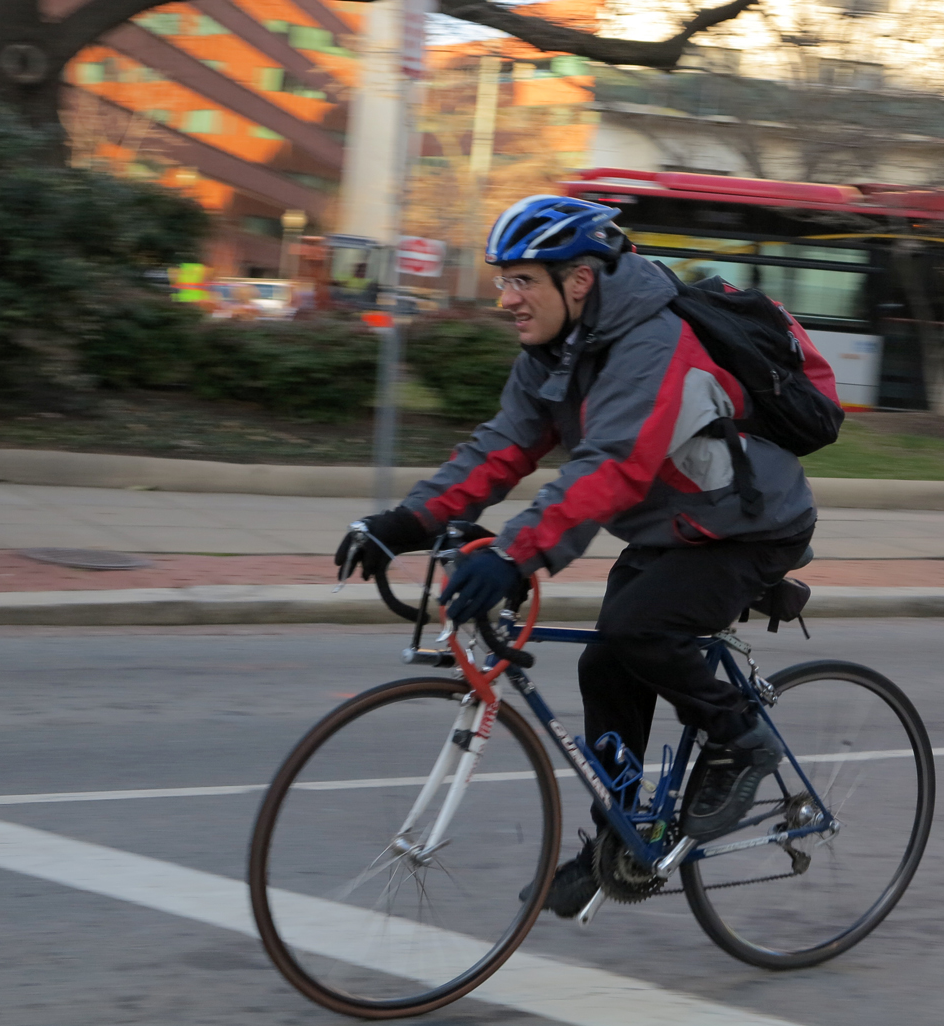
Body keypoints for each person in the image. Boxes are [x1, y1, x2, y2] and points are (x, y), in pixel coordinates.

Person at [334, 196, 817, 917]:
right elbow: (502, 447)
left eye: (521, 280)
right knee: (605, 662)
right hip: (672, 528)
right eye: (504, 280)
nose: (506, 299)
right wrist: (403, 521)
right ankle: (621, 834)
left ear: (579, 281)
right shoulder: (553, 351)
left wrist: (514, 555)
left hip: (748, 526)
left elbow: (611, 467)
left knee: (640, 632)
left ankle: (740, 742)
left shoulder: (654, 343)